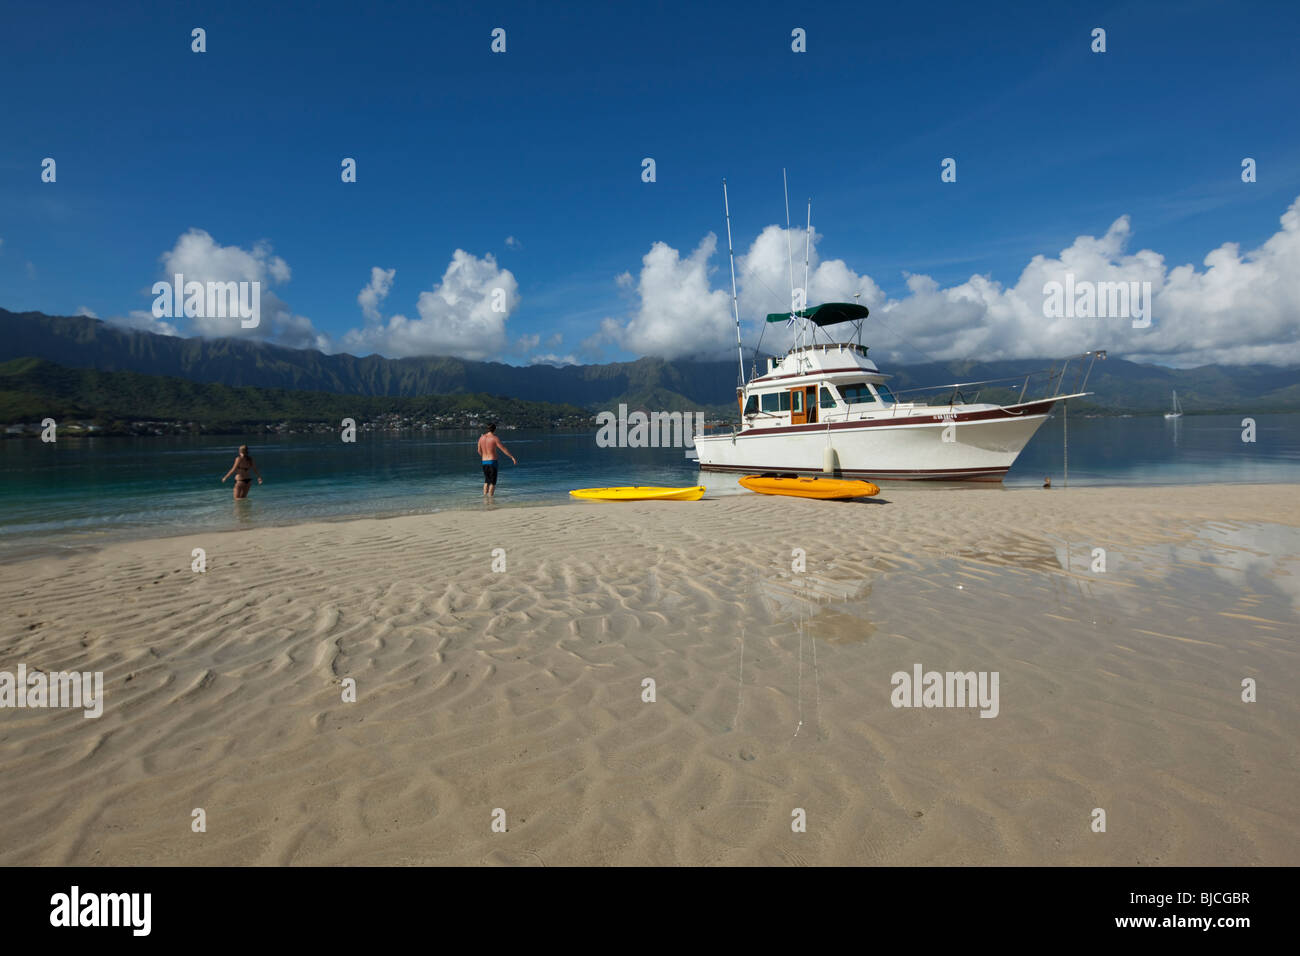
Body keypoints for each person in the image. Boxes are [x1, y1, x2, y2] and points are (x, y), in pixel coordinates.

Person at [476, 422, 516, 497]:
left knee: (486, 481)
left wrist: (483, 456)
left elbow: (478, 450)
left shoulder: (481, 438)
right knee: (492, 482)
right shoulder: (494, 438)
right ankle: (490, 499)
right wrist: (512, 457)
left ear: (487, 429)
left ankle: (485, 497)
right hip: (492, 462)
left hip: (484, 462)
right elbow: (503, 449)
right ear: (495, 429)